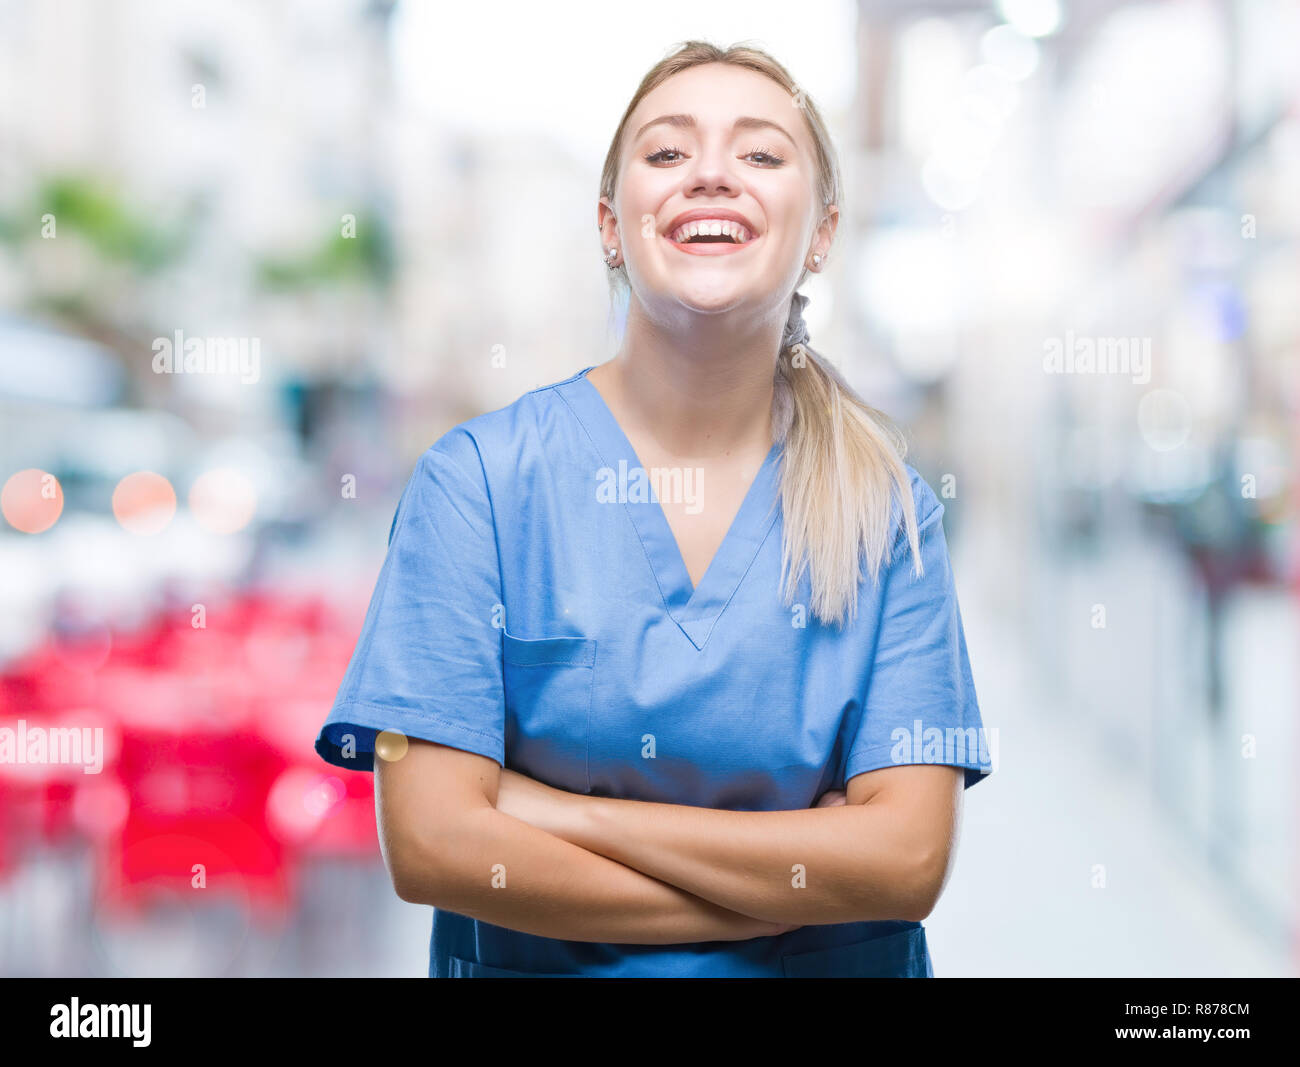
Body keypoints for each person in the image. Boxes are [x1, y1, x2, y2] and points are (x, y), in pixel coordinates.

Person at [314, 39, 994, 978]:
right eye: (668, 153)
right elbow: (436, 846)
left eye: (760, 154)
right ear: (610, 223)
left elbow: (907, 861)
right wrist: (790, 890)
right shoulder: (478, 483)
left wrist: (563, 811)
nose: (711, 174)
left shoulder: (889, 513)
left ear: (823, 234)